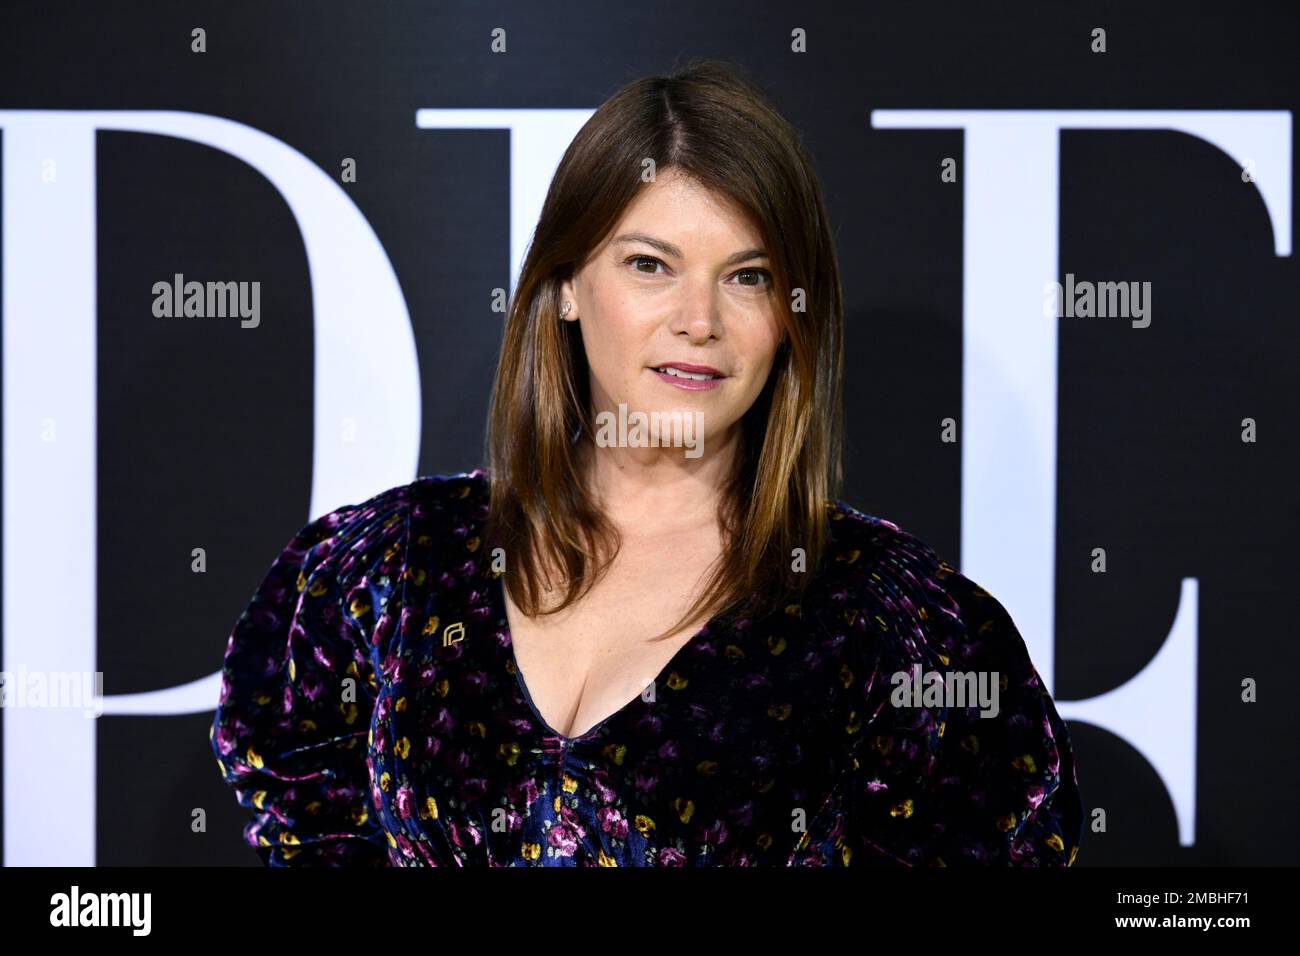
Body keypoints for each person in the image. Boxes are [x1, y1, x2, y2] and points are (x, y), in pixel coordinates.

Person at [210, 59, 1083, 867]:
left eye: (748, 276)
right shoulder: (390, 565)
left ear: (794, 316)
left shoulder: (891, 625)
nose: (698, 319)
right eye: (649, 265)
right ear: (563, 286)